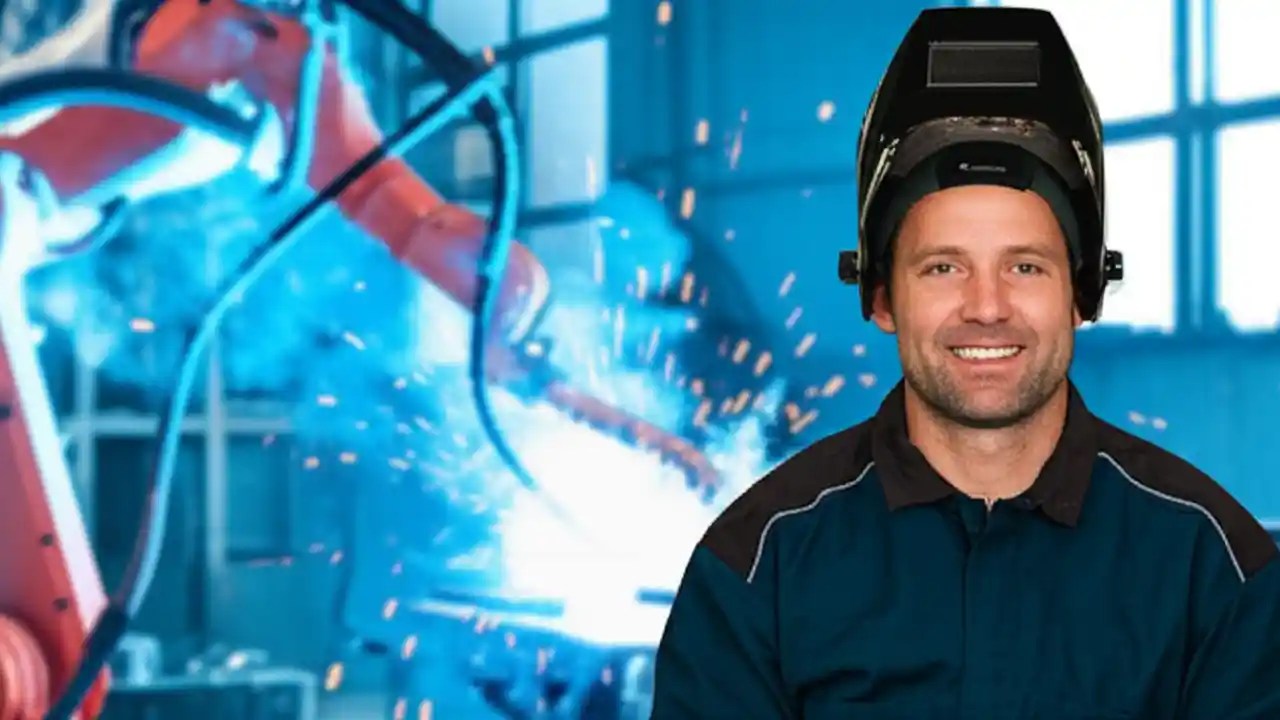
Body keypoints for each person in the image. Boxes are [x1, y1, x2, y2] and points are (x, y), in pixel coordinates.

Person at [650, 7, 1280, 719]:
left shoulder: (1210, 564)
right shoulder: (758, 565)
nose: (987, 306)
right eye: (944, 266)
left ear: (1083, 294)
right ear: (881, 297)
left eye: (1026, 267)